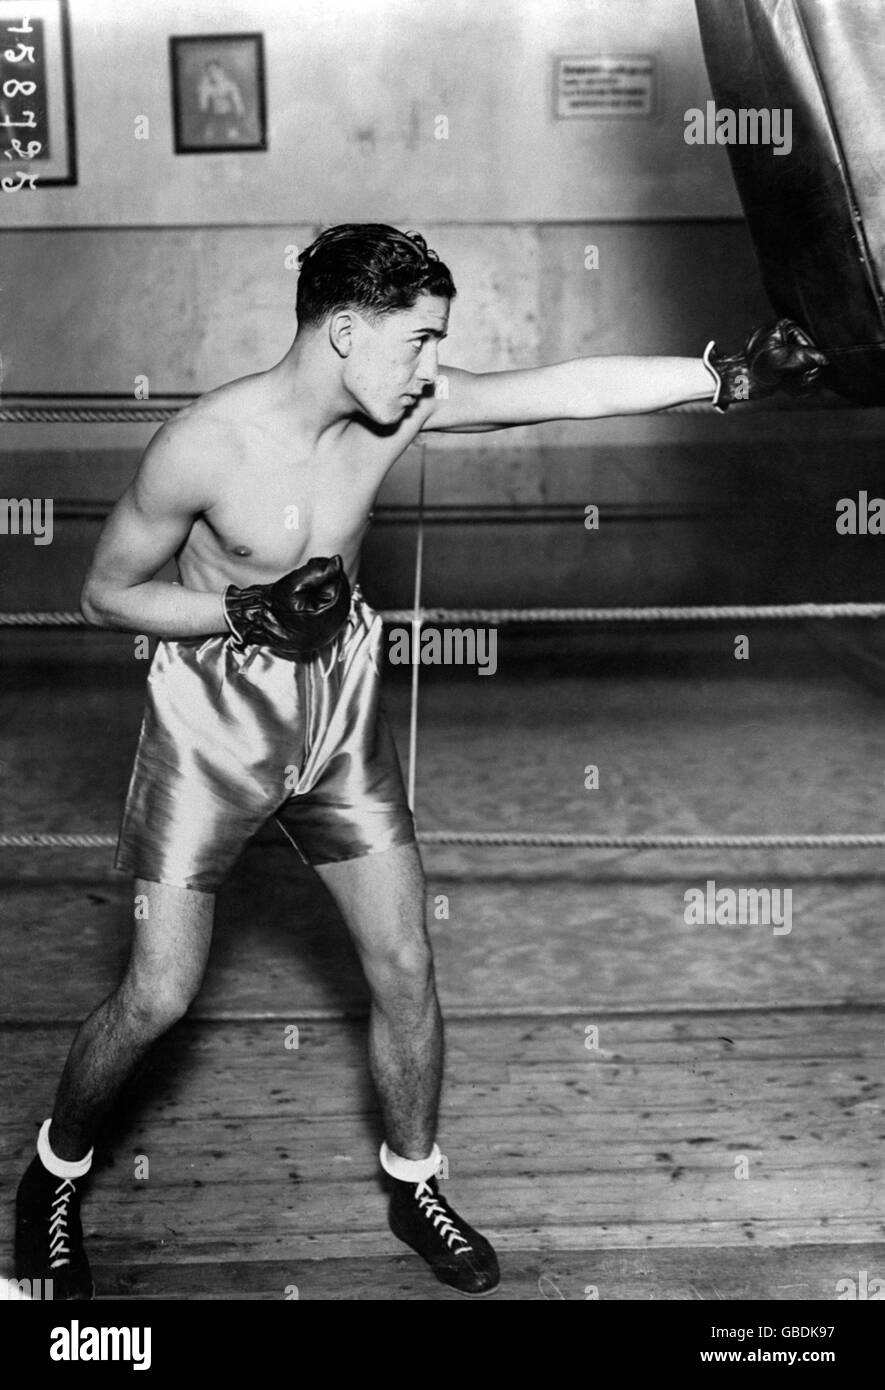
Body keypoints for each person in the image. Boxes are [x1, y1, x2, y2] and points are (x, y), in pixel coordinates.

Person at [14, 223, 828, 1300]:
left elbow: (561, 387)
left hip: (338, 710)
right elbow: (104, 593)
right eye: (421, 340)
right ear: (344, 330)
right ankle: (53, 1176)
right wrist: (243, 605)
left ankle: (414, 1179)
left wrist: (720, 378)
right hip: (213, 717)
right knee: (158, 994)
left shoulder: (394, 409)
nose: (434, 366)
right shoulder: (202, 444)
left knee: (405, 966)